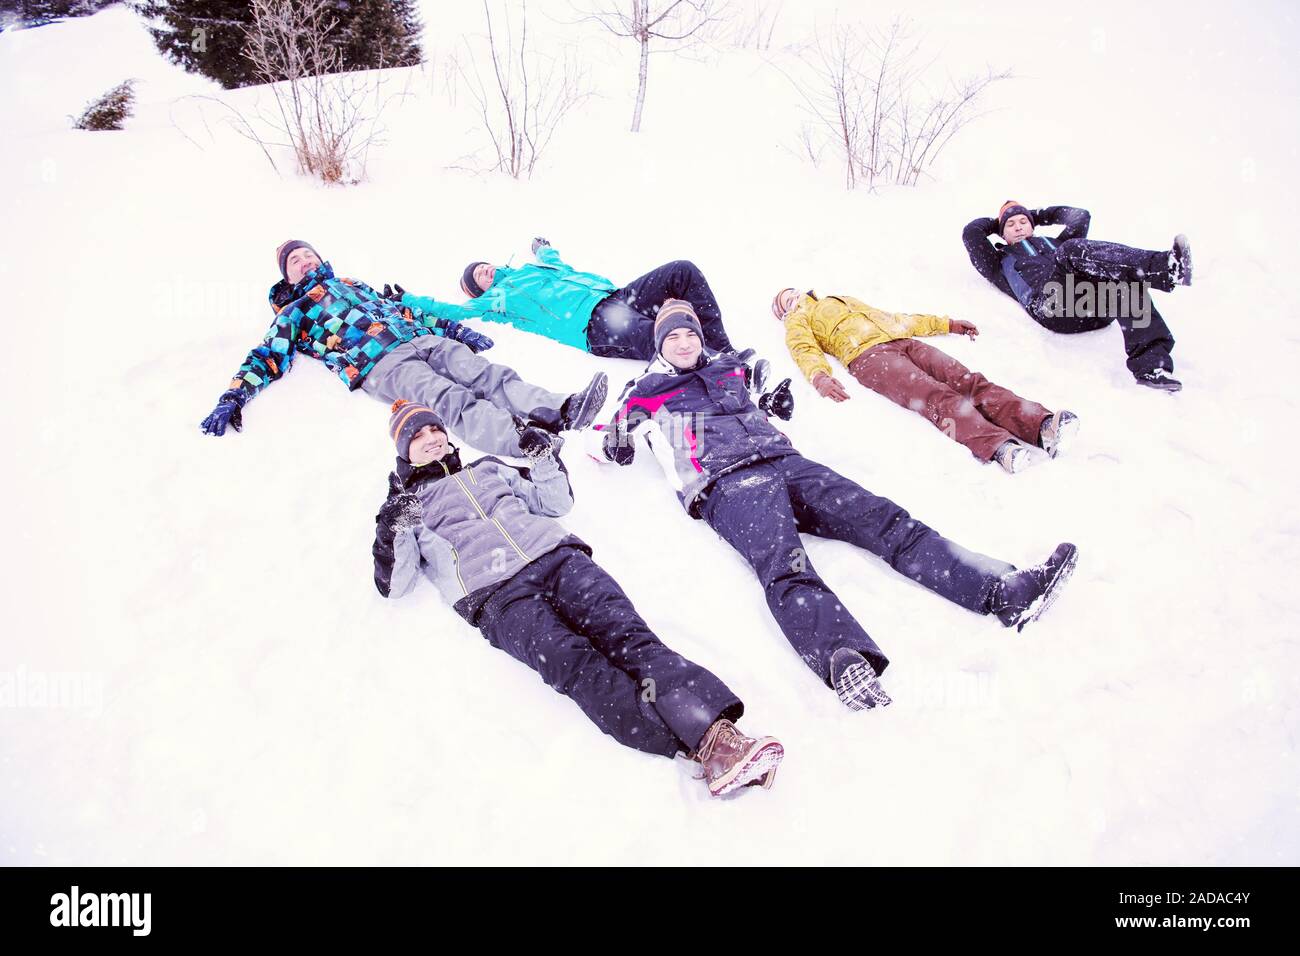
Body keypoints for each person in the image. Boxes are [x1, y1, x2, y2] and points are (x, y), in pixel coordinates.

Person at [586, 300, 1078, 709]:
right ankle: (842, 655)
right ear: (660, 345)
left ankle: (1003, 589)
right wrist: (617, 444)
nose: (685, 342)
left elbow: (769, 395)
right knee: (784, 562)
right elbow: (610, 442)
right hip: (726, 484)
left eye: (689, 333)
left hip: (786, 462)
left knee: (885, 519)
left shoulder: (729, 369)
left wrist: (777, 399)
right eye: (673, 337)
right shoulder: (646, 392)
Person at [373, 398, 784, 796]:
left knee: (631, 638)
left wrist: (542, 458)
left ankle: (719, 739)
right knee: (575, 665)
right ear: (404, 450)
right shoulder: (408, 508)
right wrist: (391, 530)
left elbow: (556, 501)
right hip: (497, 595)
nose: (431, 438)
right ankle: (700, 746)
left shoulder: (489, 469)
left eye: (434, 429)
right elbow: (396, 584)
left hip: (559, 559)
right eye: (417, 435)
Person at [199, 240, 608, 457]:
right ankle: (522, 442)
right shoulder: (295, 310)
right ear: (287, 277)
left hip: (418, 338)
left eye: (308, 254)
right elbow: (267, 356)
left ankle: (561, 409)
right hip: (378, 362)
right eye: (295, 261)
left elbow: (399, 308)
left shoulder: (356, 285)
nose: (304, 261)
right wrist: (233, 397)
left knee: (489, 375)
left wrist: (454, 330)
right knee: (447, 397)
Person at [772, 287, 1078, 473]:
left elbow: (894, 318)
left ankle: (1042, 426)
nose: (794, 298)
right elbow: (803, 348)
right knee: (934, 395)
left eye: (792, 292)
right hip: (868, 358)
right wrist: (819, 376)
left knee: (968, 381)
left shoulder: (839, 299)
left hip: (901, 339)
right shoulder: (798, 319)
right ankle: (1000, 448)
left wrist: (946, 324)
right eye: (786, 301)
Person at [384, 237, 749, 362]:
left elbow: (557, 264)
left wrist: (544, 248)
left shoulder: (531, 270)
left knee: (681, 270)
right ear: (479, 289)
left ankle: (724, 350)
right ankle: (717, 368)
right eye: (477, 276)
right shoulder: (496, 301)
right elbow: (455, 311)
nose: (484, 271)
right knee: (662, 333)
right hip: (593, 326)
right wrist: (412, 300)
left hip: (616, 297)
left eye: (483, 266)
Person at [962, 201, 1192, 392]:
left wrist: (1037, 215)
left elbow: (1080, 216)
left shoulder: (1055, 243)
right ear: (1002, 232)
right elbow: (971, 232)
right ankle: (1165, 268)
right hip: (1049, 306)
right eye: (1010, 225)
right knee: (1071, 249)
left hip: (1088, 306)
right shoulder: (997, 262)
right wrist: (996, 222)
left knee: (1123, 281)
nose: (1018, 227)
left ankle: (1152, 367)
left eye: (1023, 222)